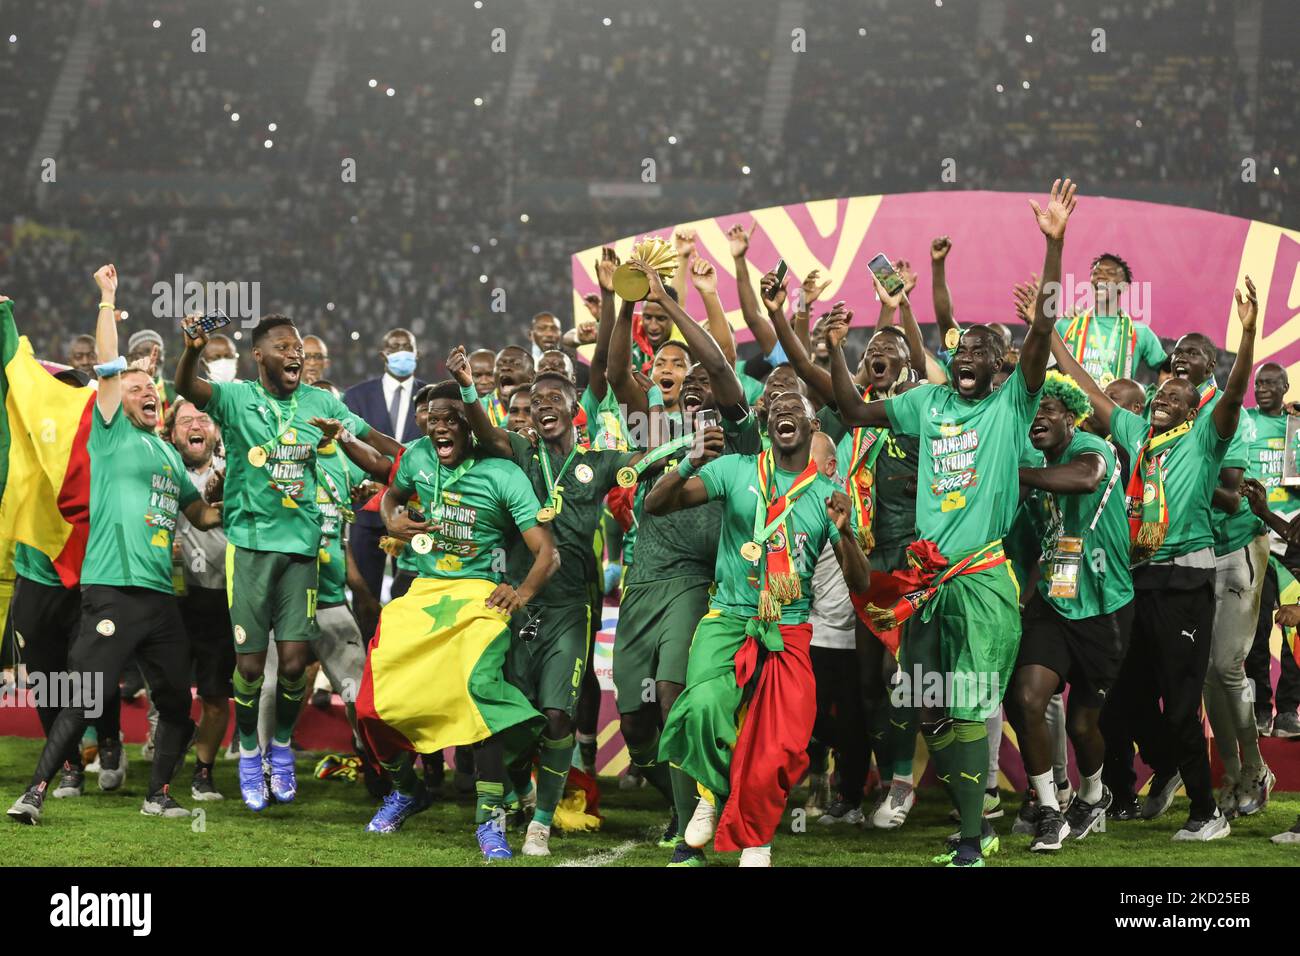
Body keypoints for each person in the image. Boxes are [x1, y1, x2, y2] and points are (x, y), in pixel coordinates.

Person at [828, 179, 1074, 866]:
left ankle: (973, 834)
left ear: (1001, 368)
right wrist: (831, 352)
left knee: (966, 707)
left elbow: (1043, 332)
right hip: (927, 581)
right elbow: (854, 412)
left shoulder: (1010, 407)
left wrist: (1054, 246)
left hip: (985, 580)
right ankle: (978, 820)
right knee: (926, 706)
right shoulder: (927, 403)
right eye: (959, 348)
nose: (966, 356)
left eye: (980, 351)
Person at [8, 264, 223, 825]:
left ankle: (158, 795)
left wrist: (232, 500)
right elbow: (107, 366)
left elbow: (197, 513)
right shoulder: (110, 433)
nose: (147, 391)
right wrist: (107, 299)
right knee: (83, 696)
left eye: (151, 388)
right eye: (134, 388)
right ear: (114, 399)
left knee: (177, 702)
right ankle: (34, 792)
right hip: (110, 591)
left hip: (158, 598)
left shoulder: (169, 455)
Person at [646, 390, 869, 867]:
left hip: (788, 629)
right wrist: (687, 464)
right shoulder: (737, 470)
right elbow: (656, 504)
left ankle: (757, 841)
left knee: (781, 745)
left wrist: (846, 531)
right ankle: (713, 796)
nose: (785, 415)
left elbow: (861, 581)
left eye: (797, 411)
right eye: (776, 412)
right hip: (728, 616)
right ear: (767, 428)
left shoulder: (824, 497)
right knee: (703, 707)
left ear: (812, 429)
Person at [346, 381, 559, 859]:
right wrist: (393, 516)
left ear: (469, 426)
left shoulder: (502, 473)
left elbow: (548, 551)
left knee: (476, 697)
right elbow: (391, 496)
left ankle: (491, 821)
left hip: (478, 598)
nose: (439, 426)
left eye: (450, 419)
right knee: (370, 707)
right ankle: (406, 791)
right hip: (421, 594)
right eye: (432, 418)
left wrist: (521, 592)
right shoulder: (419, 456)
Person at [174, 311, 375, 813]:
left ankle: (280, 745)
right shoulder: (237, 398)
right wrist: (193, 349)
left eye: (300, 349)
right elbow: (187, 386)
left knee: (293, 663)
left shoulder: (321, 401)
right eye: (284, 346)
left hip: (301, 549)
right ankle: (247, 753)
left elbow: (369, 441)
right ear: (258, 355)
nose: (295, 354)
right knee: (248, 665)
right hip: (250, 545)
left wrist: (417, 457)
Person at [451, 346, 647, 857]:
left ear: (573, 405)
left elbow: (644, 460)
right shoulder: (518, 452)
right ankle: (517, 790)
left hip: (569, 609)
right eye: (534, 400)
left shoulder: (596, 464)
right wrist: (470, 387)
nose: (542, 405)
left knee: (558, 715)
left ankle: (539, 821)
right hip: (512, 603)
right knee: (514, 715)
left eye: (553, 396)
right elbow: (487, 432)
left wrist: (690, 448)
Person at [1087, 278, 1259, 840]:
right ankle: (1164, 772)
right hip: (1140, 581)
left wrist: (1250, 332)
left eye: (1175, 399)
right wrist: (1048, 332)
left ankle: (1207, 812)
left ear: (1193, 411)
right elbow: (1090, 390)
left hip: (1187, 580)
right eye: (1158, 395)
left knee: (1183, 705)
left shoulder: (1204, 440)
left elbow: (1231, 397)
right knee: (1121, 702)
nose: (1163, 399)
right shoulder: (1139, 438)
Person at [1005, 371, 1134, 852]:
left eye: (1049, 410)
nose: (1038, 418)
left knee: (1083, 725)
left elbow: (1085, 479)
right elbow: (1032, 540)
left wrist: (1014, 473)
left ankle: (1094, 793)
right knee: (1028, 698)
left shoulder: (1092, 447)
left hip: (1107, 606)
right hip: (1054, 604)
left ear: (1070, 416)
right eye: (1032, 411)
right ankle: (1048, 811)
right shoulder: (1031, 462)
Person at [167, 399, 234, 801]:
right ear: (172, 433)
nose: (196, 425)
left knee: (213, 692)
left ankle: (203, 772)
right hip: (172, 599)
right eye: (185, 420)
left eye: (203, 418)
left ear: (216, 431)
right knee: (169, 690)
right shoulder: (160, 469)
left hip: (221, 598)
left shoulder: (237, 471)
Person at [342, 328, 428, 636]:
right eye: (395, 346)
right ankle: (366, 660)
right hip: (367, 509)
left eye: (408, 346)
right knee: (365, 593)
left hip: (420, 513)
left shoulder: (431, 395)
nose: (401, 351)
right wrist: (374, 482)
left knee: (413, 594)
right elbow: (348, 447)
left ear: (417, 353)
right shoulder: (356, 396)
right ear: (383, 353)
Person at [1242, 363, 1300, 739]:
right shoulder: (1243, 421)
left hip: (1293, 540)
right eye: (1258, 383)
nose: (1262, 388)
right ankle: (1261, 707)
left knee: (1296, 632)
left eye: (1270, 383)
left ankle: (1289, 711)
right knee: (1256, 630)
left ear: (1285, 386)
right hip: (1254, 537)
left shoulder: (1297, 425)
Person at [1056, 252, 1166, 385]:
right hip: (1071, 403)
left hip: (1113, 405)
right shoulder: (1067, 324)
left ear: (1123, 287)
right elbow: (1040, 362)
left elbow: (1168, 371)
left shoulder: (1140, 332)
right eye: (1096, 273)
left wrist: (1144, 396)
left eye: (1110, 273)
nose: (1101, 276)